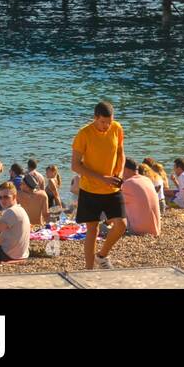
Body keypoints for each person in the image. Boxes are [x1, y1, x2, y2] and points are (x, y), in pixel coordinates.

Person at [70, 100, 128, 269]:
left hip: (112, 187)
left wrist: (120, 173)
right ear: (95, 118)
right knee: (92, 230)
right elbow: (75, 165)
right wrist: (102, 178)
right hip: (90, 189)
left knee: (122, 224)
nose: (106, 126)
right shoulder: (84, 134)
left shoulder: (117, 128)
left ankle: (101, 255)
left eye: (109, 122)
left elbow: (121, 153)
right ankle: (88, 270)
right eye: (103, 122)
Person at [120, 159, 161, 236]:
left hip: (139, 230)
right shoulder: (147, 180)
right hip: (156, 229)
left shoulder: (127, 183)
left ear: (125, 169)